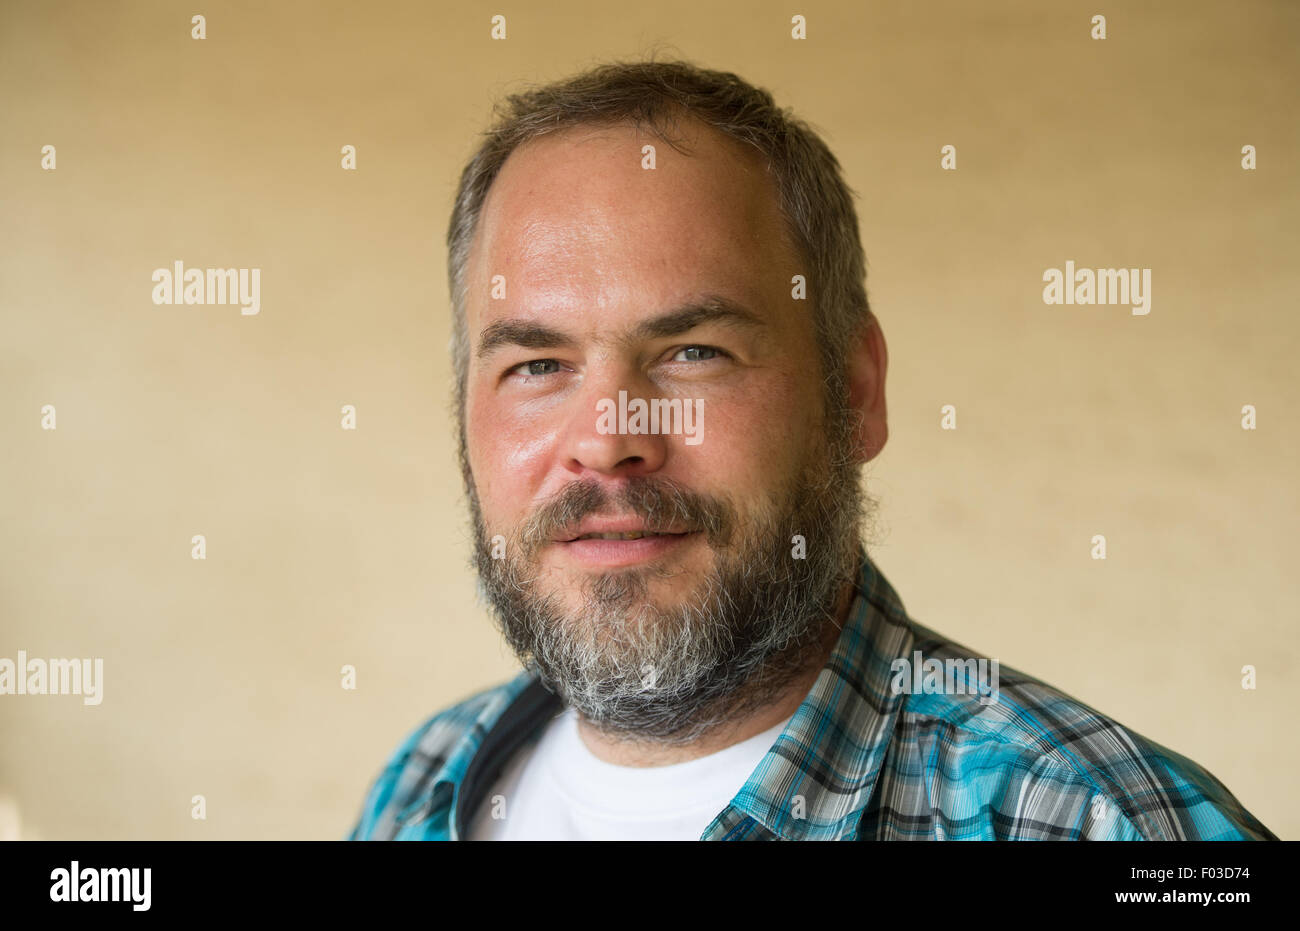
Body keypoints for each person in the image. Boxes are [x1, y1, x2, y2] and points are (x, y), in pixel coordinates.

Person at [348, 59, 1275, 841]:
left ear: (856, 392)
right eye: (539, 363)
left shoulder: (1100, 826)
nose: (608, 440)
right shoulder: (423, 783)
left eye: (692, 353)